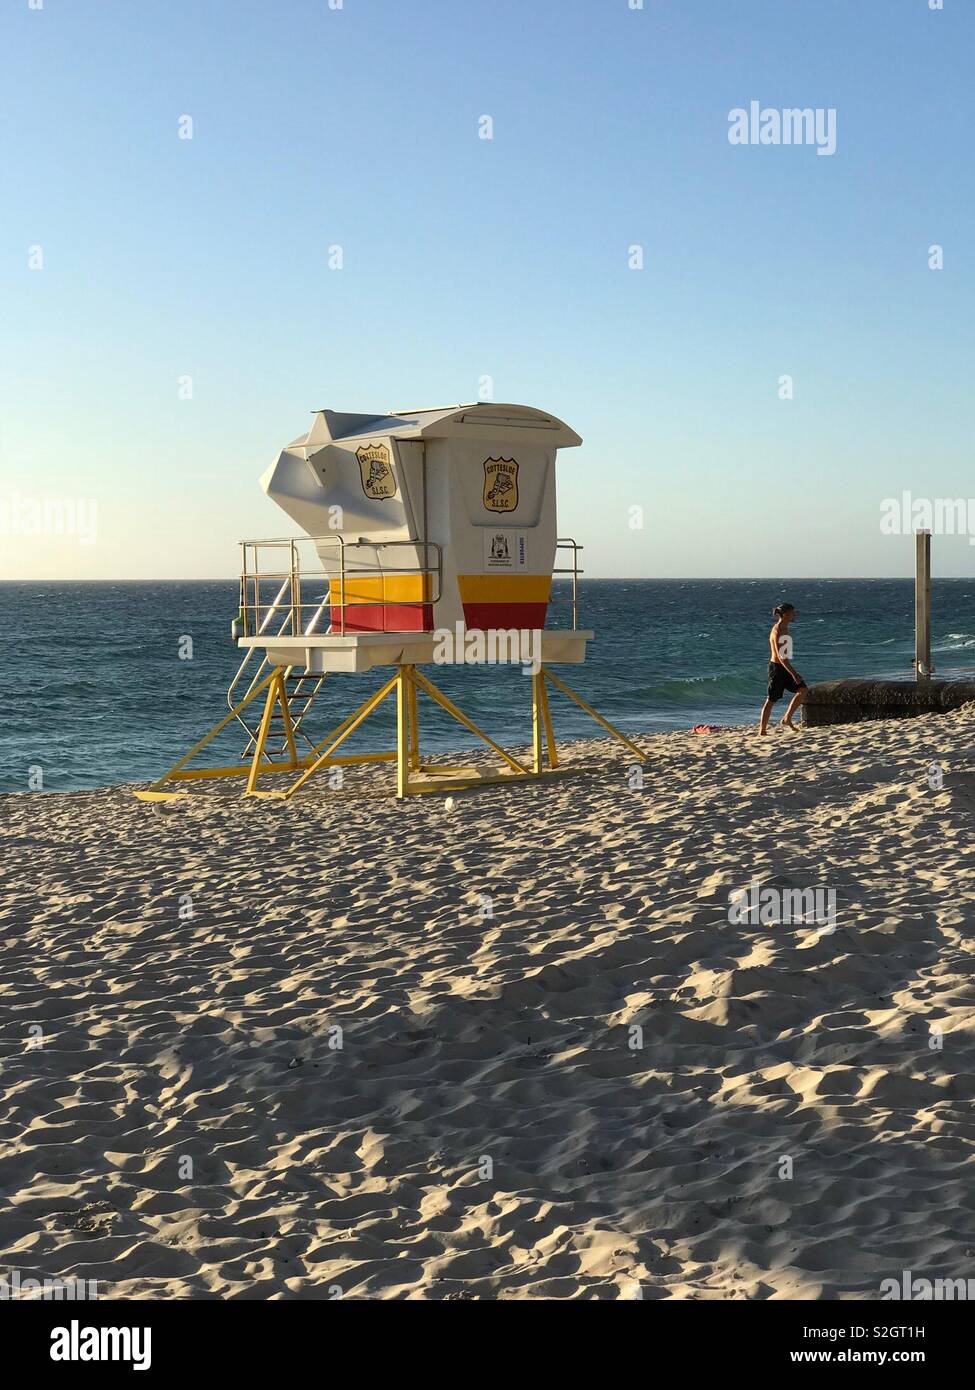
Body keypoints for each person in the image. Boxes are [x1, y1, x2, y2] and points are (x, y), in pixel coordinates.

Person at [759, 603, 807, 734]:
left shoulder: (785, 628)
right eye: (793, 613)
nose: (794, 615)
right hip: (777, 668)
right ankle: (762, 730)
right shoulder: (779, 630)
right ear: (785, 615)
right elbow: (782, 657)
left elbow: (785, 655)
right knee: (771, 699)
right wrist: (794, 674)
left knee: (802, 690)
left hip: (784, 666)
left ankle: (787, 718)